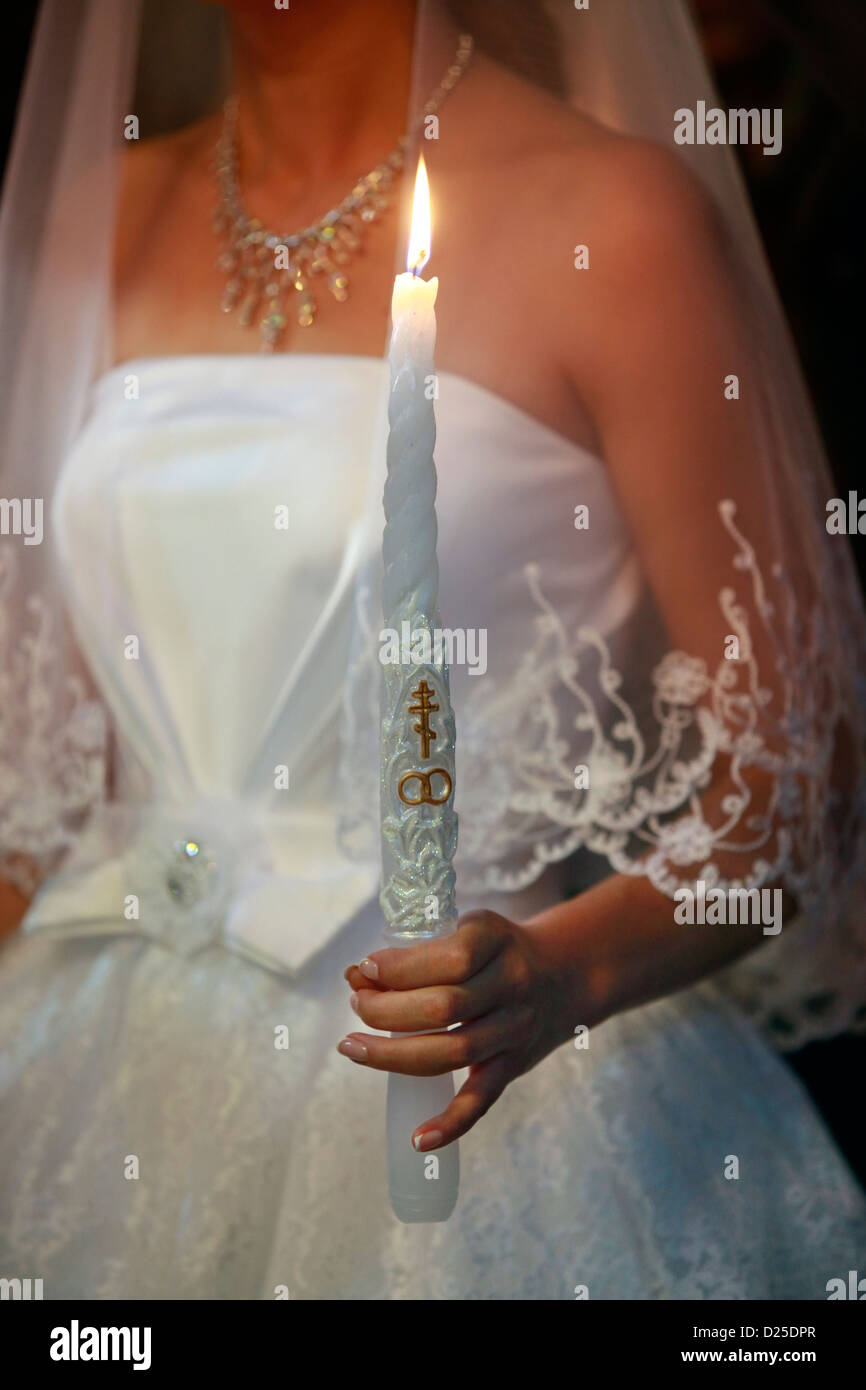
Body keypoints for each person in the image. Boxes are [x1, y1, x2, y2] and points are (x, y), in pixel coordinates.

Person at [0, 0, 864, 1299]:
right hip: (87, 1062)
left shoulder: (613, 219)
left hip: (491, 1078)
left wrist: (563, 968)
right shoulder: (93, 213)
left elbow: (797, 769)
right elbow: (41, 782)